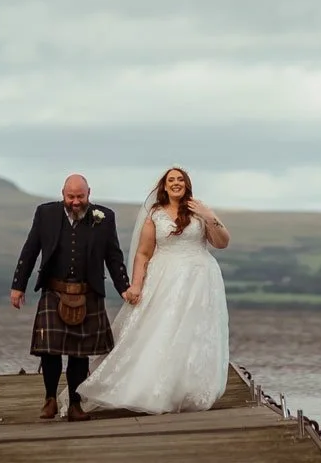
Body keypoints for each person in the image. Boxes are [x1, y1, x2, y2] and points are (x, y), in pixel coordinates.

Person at [77, 165, 231, 416]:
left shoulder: (198, 210)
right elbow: (143, 253)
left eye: (180, 179)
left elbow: (222, 242)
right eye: (171, 180)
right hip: (165, 279)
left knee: (195, 333)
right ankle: (154, 388)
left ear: (187, 184)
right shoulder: (156, 215)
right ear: (164, 186)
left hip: (200, 280)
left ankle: (188, 389)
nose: (176, 183)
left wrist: (208, 213)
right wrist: (136, 284)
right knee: (163, 329)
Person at [9, 173, 132, 421]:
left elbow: (114, 256)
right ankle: (50, 399)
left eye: (80, 196)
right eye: (71, 196)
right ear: (62, 194)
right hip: (54, 291)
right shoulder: (46, 214)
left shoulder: (104, 217)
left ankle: (75, 404)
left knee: (80, 353)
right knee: (50, 351)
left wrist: (125, 288)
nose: (76, 202)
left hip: (88, 293)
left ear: (89, 194)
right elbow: (30, 249)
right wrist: (18, 285)